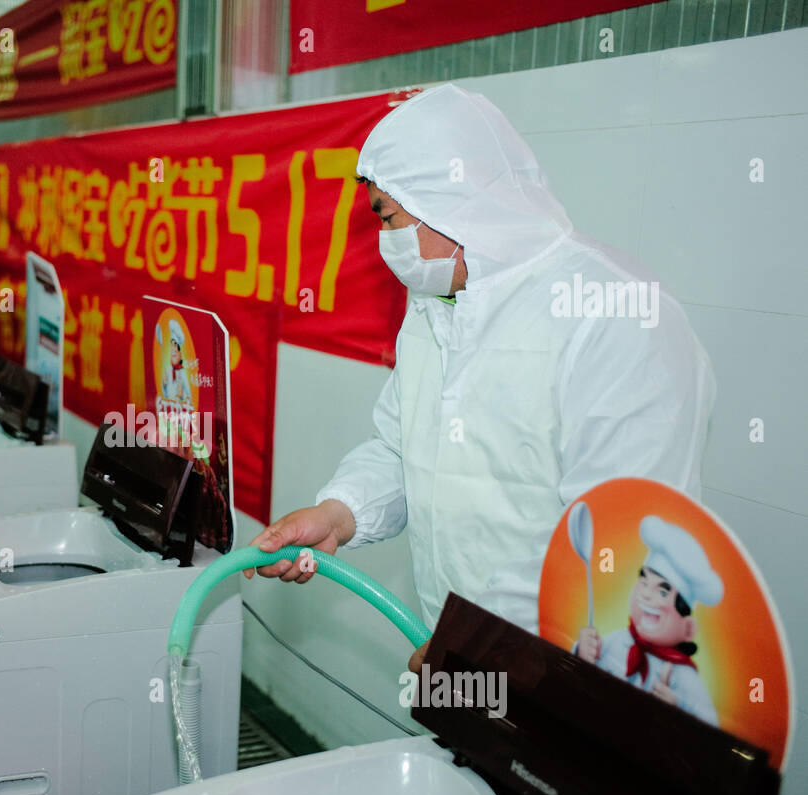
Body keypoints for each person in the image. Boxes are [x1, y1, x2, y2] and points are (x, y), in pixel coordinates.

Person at [244, 84, 715, 676]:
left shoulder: (614, 314)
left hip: (586, 677)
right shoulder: (438, 307)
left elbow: (619, 539)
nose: (384, 240)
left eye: (388, 217)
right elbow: (401, 448)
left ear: (450, 200)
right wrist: (339, 513)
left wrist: (480, 640)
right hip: (471, 659)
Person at [574, 516, 722, 725]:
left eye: (662, 592)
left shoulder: (684, 679)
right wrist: (581, 652)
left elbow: (714, 744)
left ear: (688, 628)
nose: (646, 595)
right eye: (644, 582)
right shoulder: (618, 640)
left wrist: (678, 720)